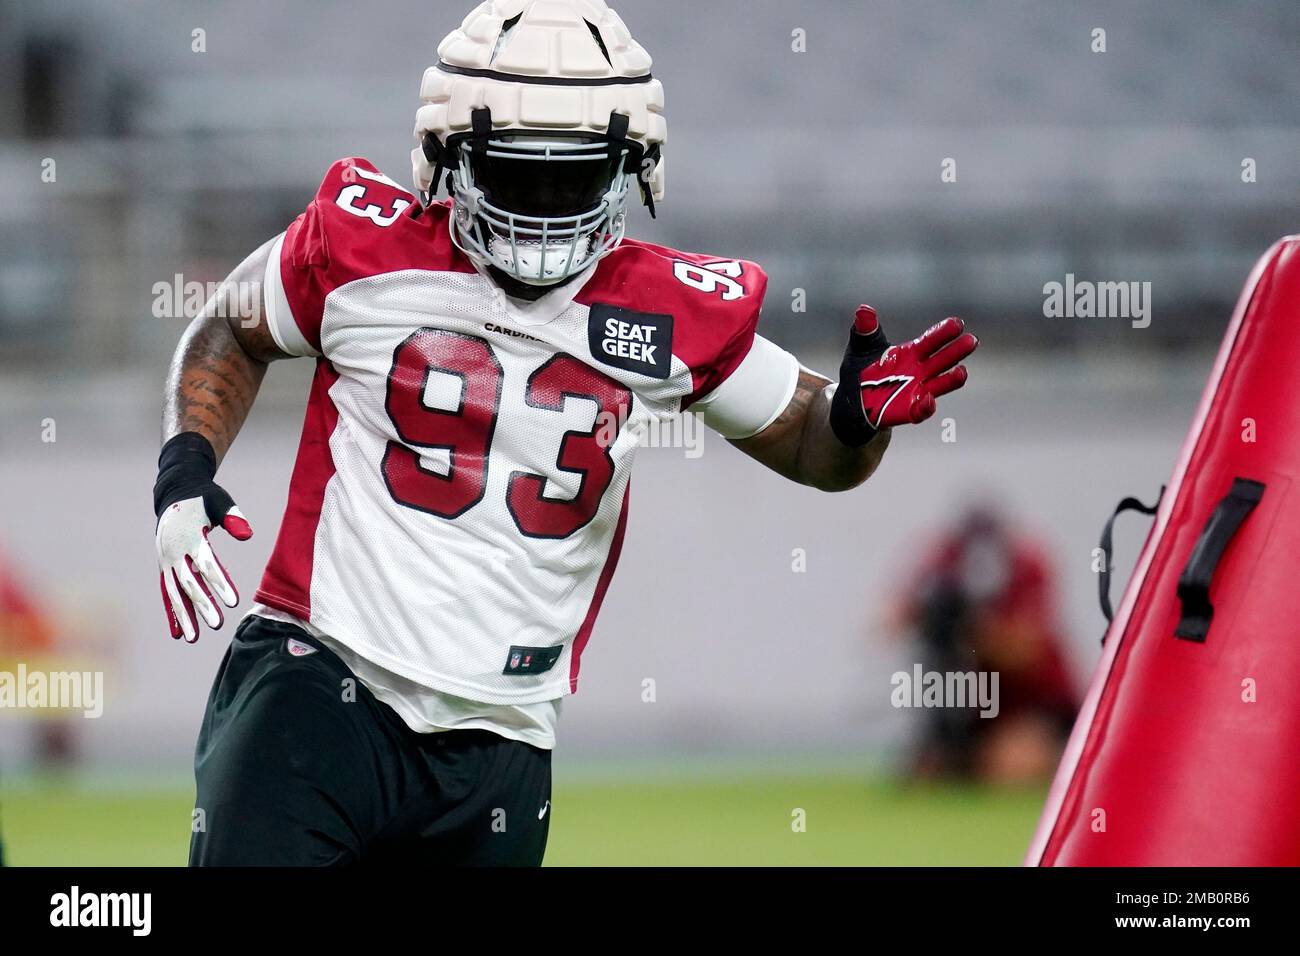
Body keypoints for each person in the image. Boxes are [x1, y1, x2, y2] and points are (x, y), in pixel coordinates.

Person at [154, 0, 978, 865]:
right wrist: (183, 469)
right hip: (321, 683)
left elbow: (818, 445)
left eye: (573, 177)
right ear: (449, 154)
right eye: (517, 175)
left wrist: (853, 420)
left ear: (632, 167)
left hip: (505, 739)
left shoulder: (668, 308)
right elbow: (231, 328)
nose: (545, 207)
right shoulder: (366, 247)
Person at [891, 506, 1078, 782]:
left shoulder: (1024, 565)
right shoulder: (943, 561)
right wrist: (927, 617)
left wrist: (970, 630)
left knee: (1009, 766)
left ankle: (1064, 756)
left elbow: (1025, 650)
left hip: (1035, 706)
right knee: (930, 772)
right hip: (977, 711)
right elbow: (889, 621)